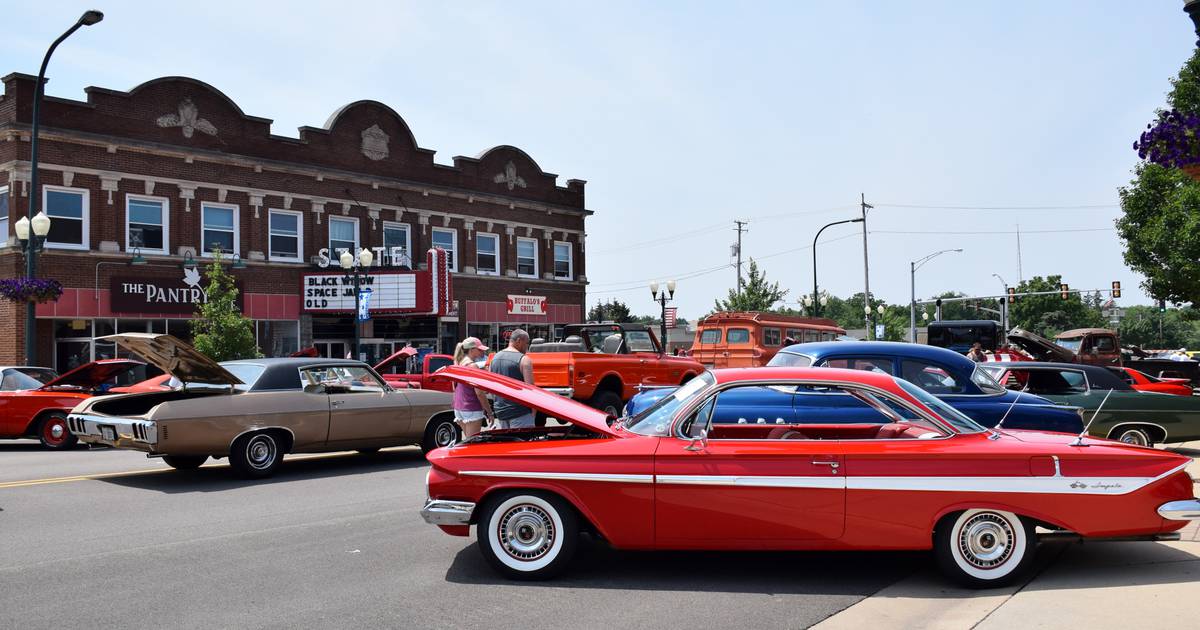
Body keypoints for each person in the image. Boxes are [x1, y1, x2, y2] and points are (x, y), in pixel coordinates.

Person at [488, 328, 536, 429]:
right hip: (520, 412)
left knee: (508, 444)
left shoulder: (494, 359)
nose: (527, 347)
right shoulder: (524, 360)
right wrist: (533, 413)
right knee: (522, 444)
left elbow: (490, 387)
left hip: (501, 412)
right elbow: (531, 391)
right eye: (526, 343)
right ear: (519, 341)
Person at [451, 337, 494, 438]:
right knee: (472, 443)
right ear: (471, 350)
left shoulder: (458, 363)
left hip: (459, 407)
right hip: (471, 408)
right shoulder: (472, 366)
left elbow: (455, 387)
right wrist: (490, 412)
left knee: (468, 440)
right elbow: (479, 393)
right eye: (479, 349)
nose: (482, 351)